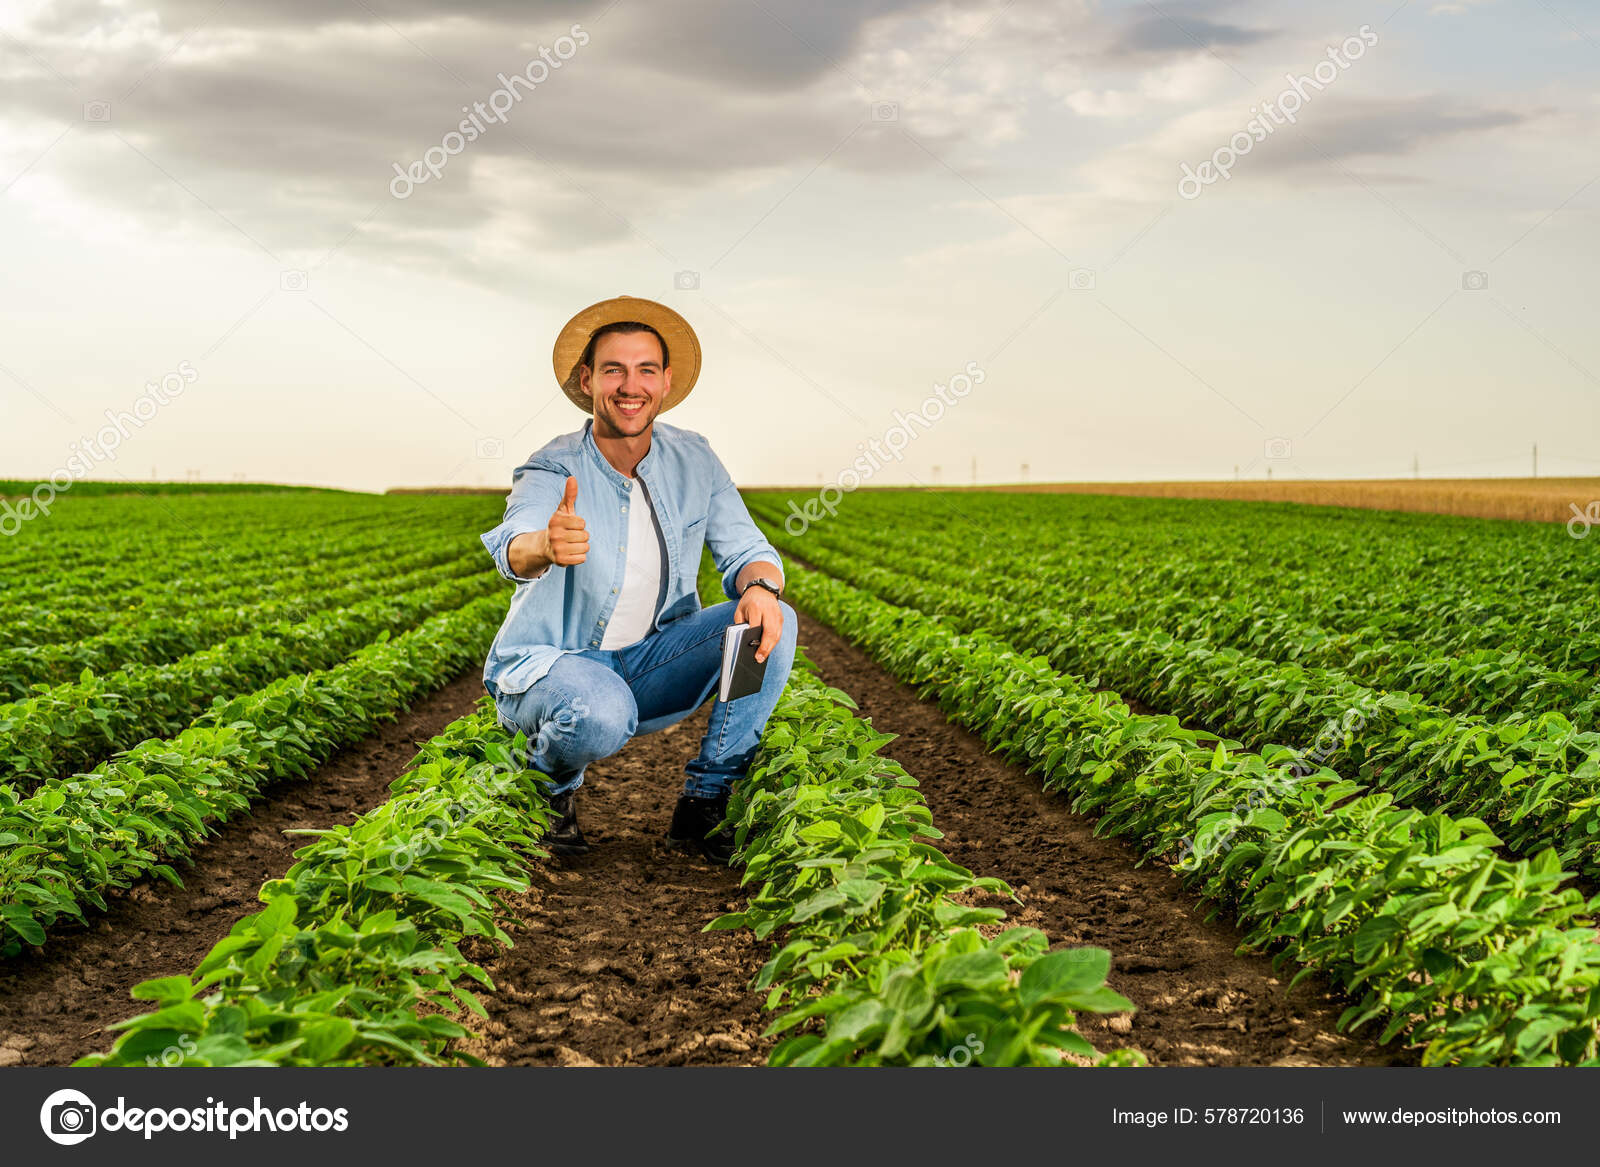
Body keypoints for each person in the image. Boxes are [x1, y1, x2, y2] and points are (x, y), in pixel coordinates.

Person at [479, 295, 796, 863]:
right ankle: (545, 789)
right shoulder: (553, 465)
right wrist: (543, 546)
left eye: (646, 369)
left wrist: (759, 585)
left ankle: (706, 801)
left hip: (651, 660)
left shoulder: (694, 458)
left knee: (772, 618)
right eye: (614, 370)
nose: (631, 385)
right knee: (600, 713)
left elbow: (747, 546)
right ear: (587, 379)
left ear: (666, 382)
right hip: (557, 668)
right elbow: (514, 543)